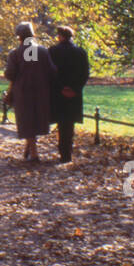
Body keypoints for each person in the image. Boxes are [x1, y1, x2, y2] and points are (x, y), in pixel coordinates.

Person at [4, 21, 56, 163]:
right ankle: (30, 148)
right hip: (41, 91)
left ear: (19, 37)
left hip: (22, 91)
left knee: (27, 120)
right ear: (33, 35)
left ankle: (33, 154)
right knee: (36, 119)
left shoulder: (15, 53)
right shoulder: (43, 51)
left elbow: (10, 74)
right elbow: (52, 71)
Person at [48, 25, 90, 164]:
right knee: (69, 124)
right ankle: (67, 153)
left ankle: (62, 152)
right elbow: (85, 74)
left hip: (59, 93)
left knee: (61, 122)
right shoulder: (80, 52)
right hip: (74, 94)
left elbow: (51, 73)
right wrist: (75, 89)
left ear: (60, 36)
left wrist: (61, 88)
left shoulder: (53, 51)